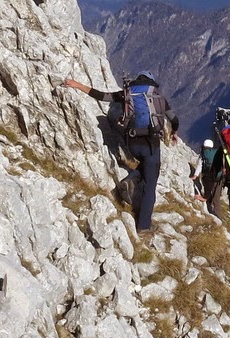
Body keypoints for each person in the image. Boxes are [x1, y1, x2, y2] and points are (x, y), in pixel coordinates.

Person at [62, 71, 178, 237]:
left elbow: (102, 96)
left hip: (131, 144)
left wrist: (77, 85)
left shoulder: (127, 94)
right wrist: (174, 132)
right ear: (151, 84)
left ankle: (132, 178)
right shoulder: (158, 98)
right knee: (151, 183)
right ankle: (144, 226)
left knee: (146, 166)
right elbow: (174, 119)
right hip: (151, 145)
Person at [192, 139, 222, 215]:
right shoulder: (217, 153)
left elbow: (200, 165)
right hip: (220, 178)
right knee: (216, 198)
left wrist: (195, 175)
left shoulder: (204, 154)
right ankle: (217, 215)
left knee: (209, 187)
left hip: (210, 177)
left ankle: (208, 204)